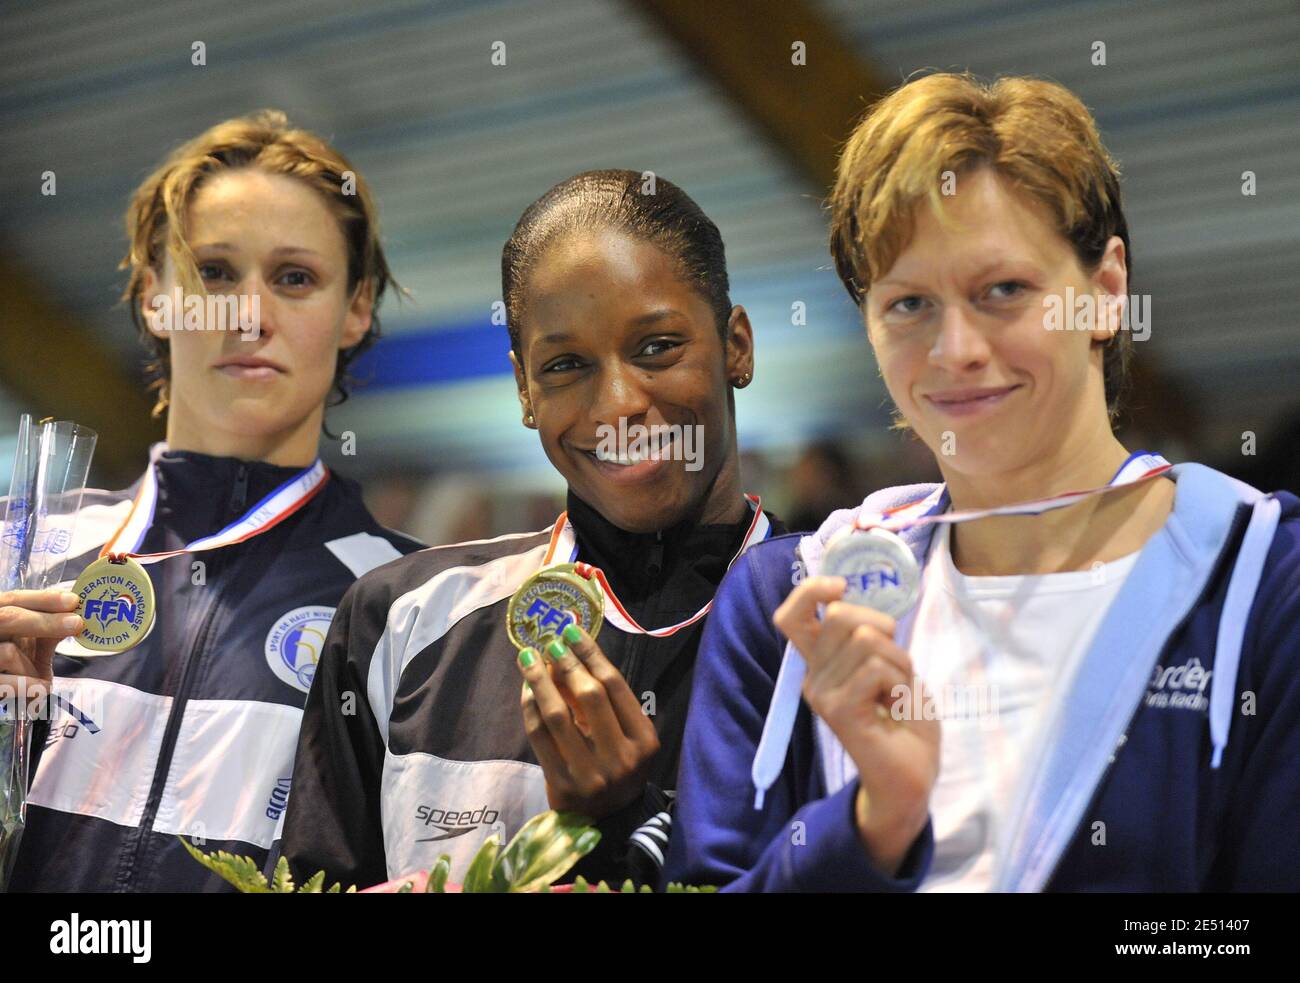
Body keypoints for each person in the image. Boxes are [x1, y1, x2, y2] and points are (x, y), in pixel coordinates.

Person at [664, 73, 1300, 892]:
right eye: (908, 304)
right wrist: (872, 824)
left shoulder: (1263, 584)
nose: (956, 348)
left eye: (1004, 290)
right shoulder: (791, 602)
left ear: (1106, 292)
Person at [280, 170, 783, 889]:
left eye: (657, 347)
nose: (617, 404)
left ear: (736, 345)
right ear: (524, 387)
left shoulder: (827, 616)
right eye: (566, 364)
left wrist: (621, 826)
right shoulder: (399, 621)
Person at [0, 110, 422, 891]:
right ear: (155, 295)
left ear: (356, 306)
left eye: (295, 278)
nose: (248, 314)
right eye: (215, 272)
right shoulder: (17, 552)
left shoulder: (413, 602)